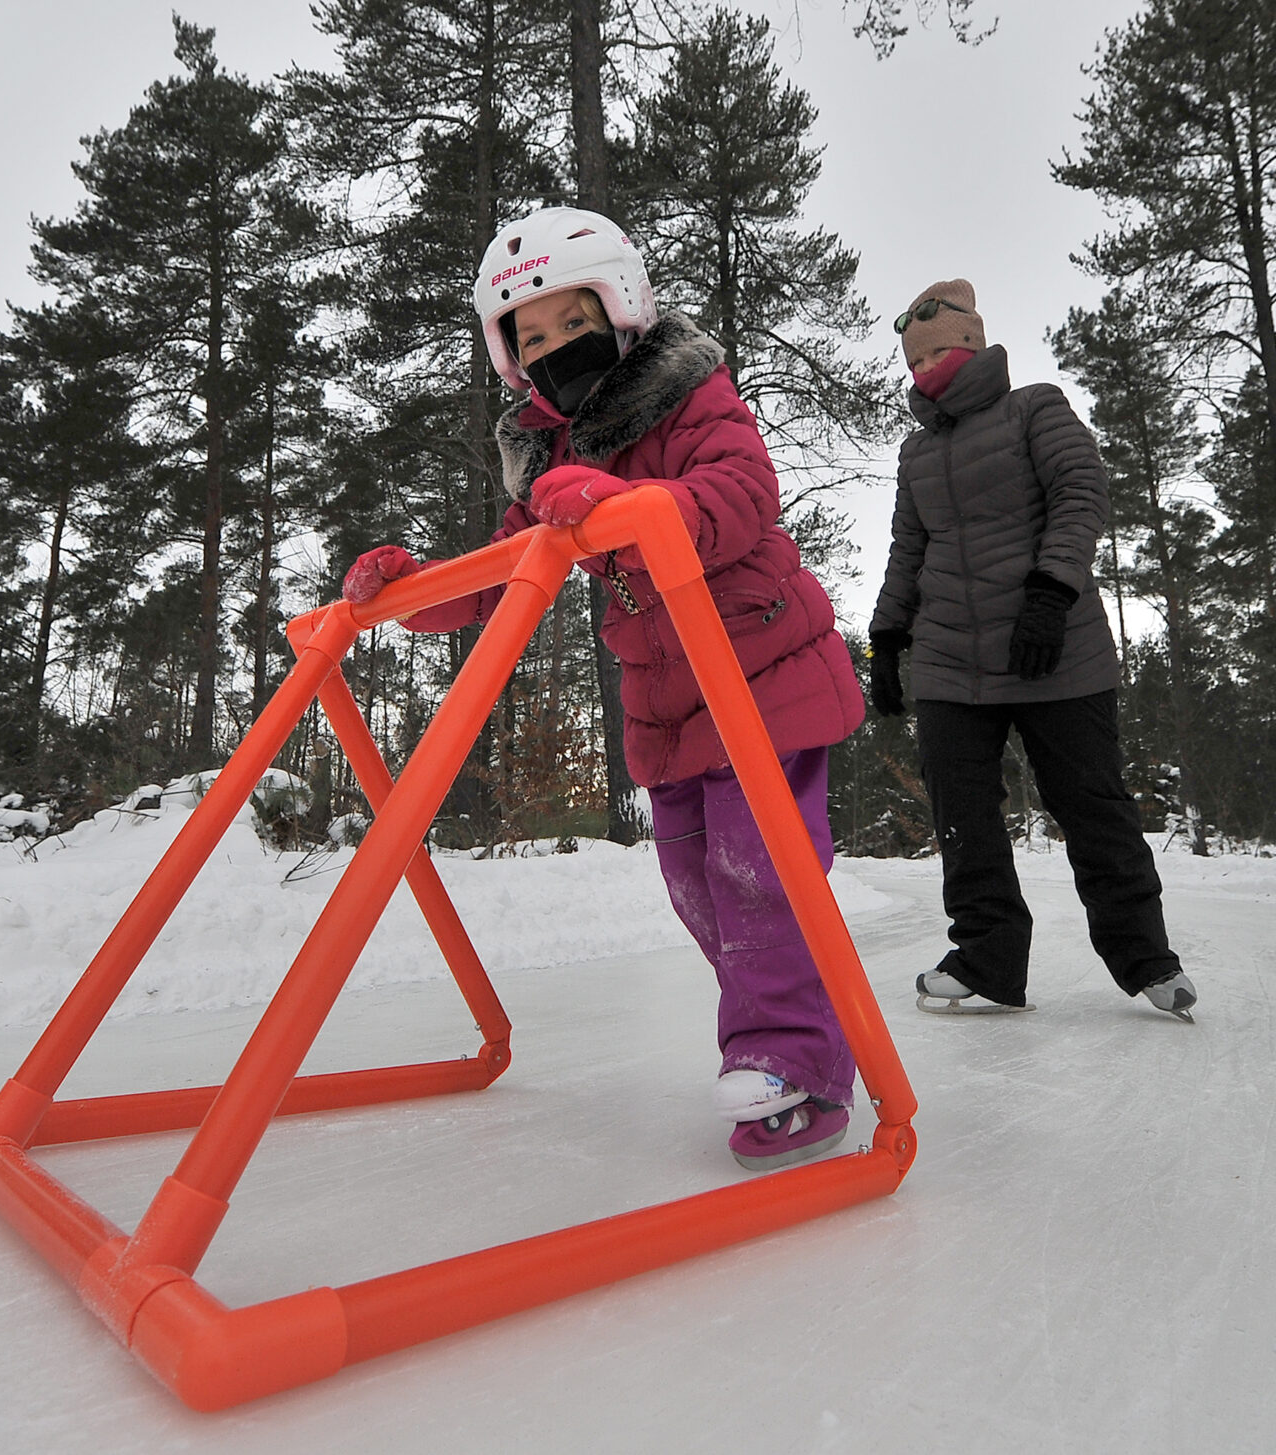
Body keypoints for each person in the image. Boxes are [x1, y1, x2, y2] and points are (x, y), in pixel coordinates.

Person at [341, 206, 869, 1169]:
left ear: (619, 308)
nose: (553, 349)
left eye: (568, 322)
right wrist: (410, 595)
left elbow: (743, 493)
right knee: (698, 890)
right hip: (668, 709)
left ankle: (788, 1058)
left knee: (761, 879)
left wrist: (632, 507)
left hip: (762, 678)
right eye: (529, 336)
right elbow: (505, 573)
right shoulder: (549, 456)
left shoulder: (689, 394)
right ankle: (795, 1036)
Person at [866, 279, 1197, 1021]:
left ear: (974, 346)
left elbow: (1082, 492)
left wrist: (1052, 592)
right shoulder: (917, 452)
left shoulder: (1034, 408)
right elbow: (906, 549)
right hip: (952, 661)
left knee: (1093, 806)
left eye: (937, 351)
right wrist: (888, 637)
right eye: (913, 360)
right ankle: (987, 958)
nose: (924, 369)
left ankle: (1146, 957)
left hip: (1054, 648)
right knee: (963, 818)